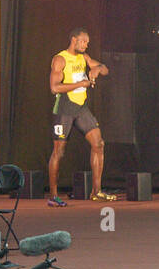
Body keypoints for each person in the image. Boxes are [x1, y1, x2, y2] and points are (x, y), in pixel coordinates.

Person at [47, 27, 111, 206]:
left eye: (87, 43)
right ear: (74, 40)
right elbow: (54, 87)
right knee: (59, 152)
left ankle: (96, 191)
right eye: (83, 42)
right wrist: (79, 84)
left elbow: (105, 68)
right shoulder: (60, 59)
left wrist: (97, 70)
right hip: (64, 109)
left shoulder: (84, 57)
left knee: (98, 144)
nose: (86, 45)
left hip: (81, 108)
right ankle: (53, 196)